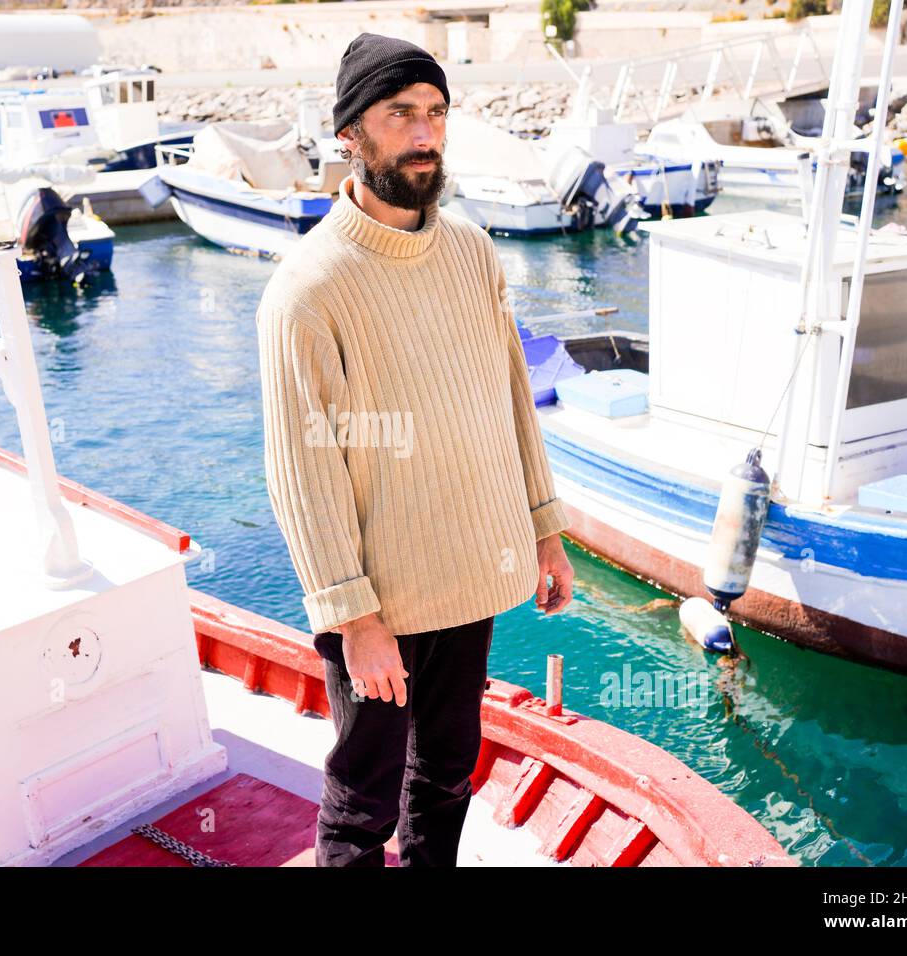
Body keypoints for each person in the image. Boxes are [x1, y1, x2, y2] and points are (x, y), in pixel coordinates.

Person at [255, 32, 575, 867]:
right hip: (380, 606)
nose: (424, 133)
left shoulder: (472, 250)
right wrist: (354, 619)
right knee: (361, 804)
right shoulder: (308, 289)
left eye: (435, 113)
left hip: (468, 579)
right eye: (401, 114)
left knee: (445, 776)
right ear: (350, 135)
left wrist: (546, 528)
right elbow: (302, 470)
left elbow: (511, 398)